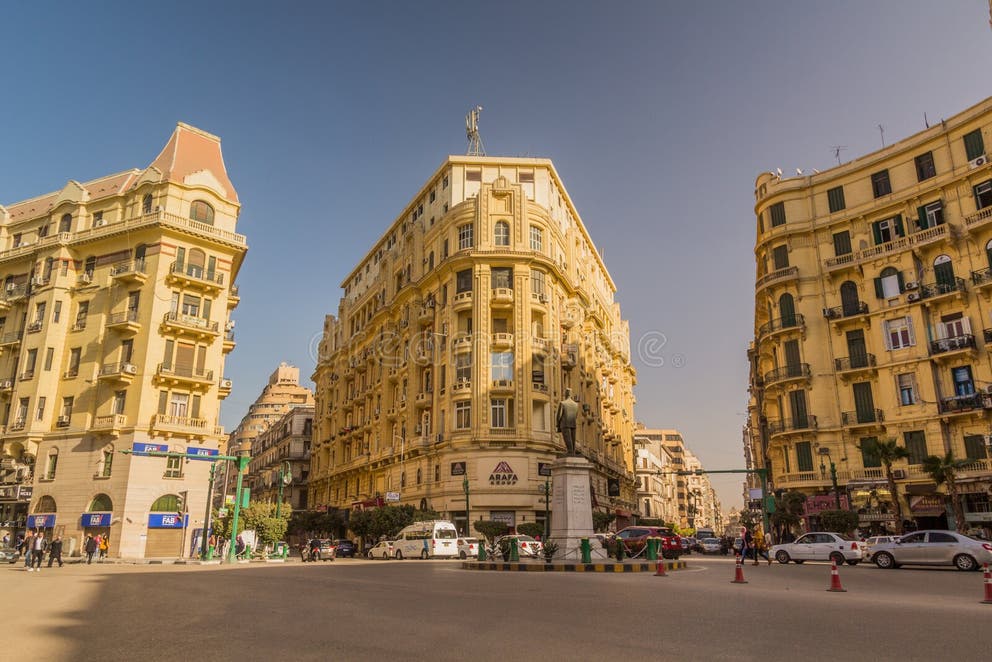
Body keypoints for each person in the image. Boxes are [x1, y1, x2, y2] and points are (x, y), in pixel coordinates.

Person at [555, 389, 580, 455]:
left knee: (567, 439)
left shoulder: (563, 403)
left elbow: (559, 415)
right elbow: (576, 415)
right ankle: (573, 452)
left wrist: (557, 425)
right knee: (572, 439)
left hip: (565, 424)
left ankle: (570, 452)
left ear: (566, 394)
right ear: (571, 394)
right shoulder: (576, 404)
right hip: (573, 424)